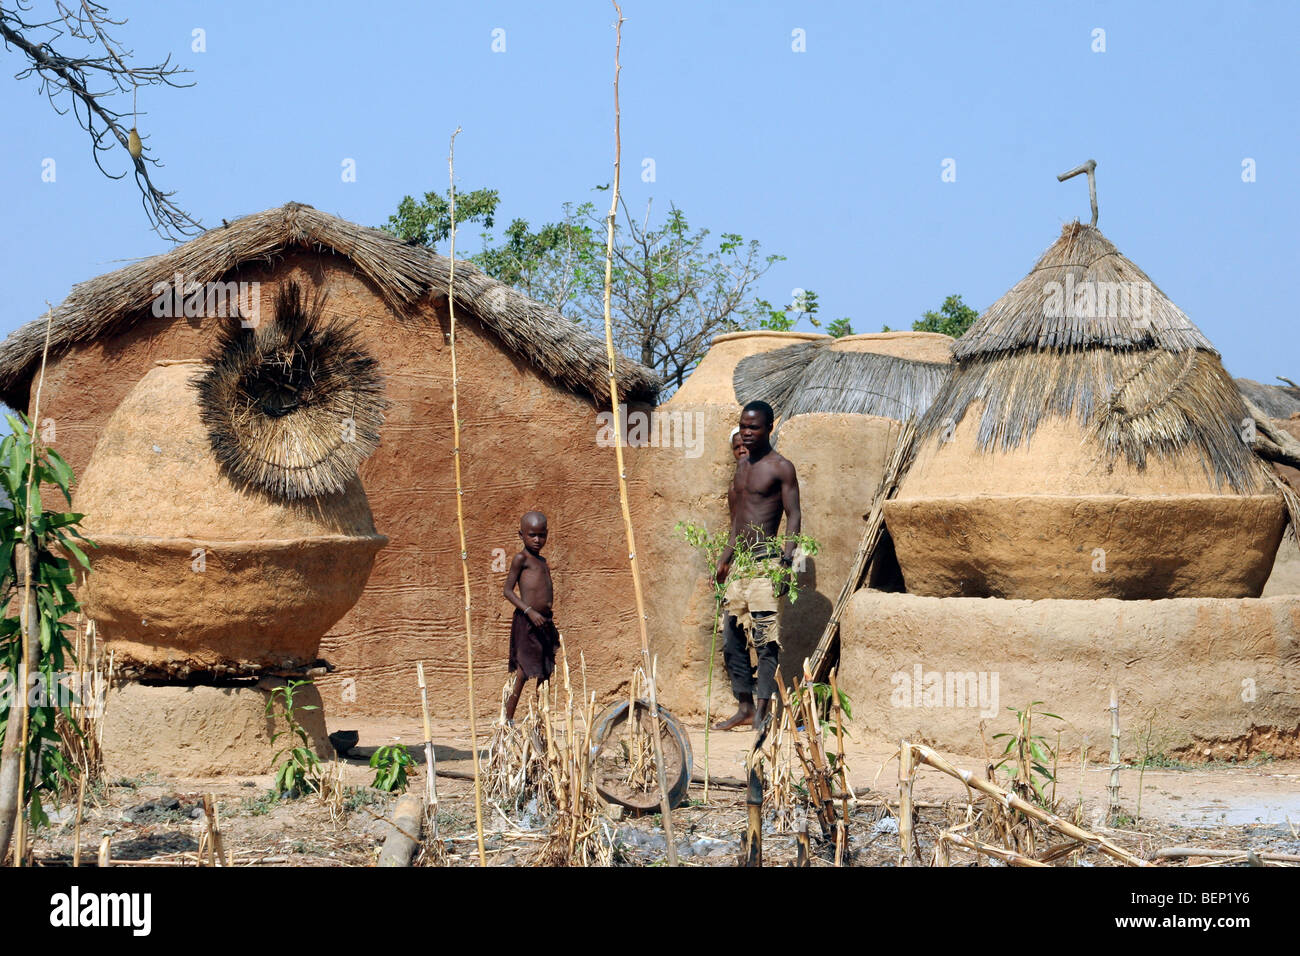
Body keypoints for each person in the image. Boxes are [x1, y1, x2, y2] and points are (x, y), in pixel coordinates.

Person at [713, 400, 801, 733]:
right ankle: (745, 707)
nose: (746, 433)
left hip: (766, 563)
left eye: (754, 427)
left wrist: (787, 560)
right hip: (741, 566)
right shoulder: (742, 466)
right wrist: (725, 557)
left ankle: (765, 710)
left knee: (764, 640)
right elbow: (739, 521)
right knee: (732, 639)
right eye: (743, 426)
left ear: (769, 428)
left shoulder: (781, 467)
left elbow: (793, 514)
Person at [502, 511, 559, 722]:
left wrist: (542, 614)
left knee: (545, 669)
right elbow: (507, 591)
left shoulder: (542, 561)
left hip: (544, 622)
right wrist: (529, 611)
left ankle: (540, 717)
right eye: (532, 535)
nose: (537, 540)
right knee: (523, 671)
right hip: (527, 621)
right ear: (521, 535)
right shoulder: (521, 559)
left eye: (541, 535)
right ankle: (507, 719)